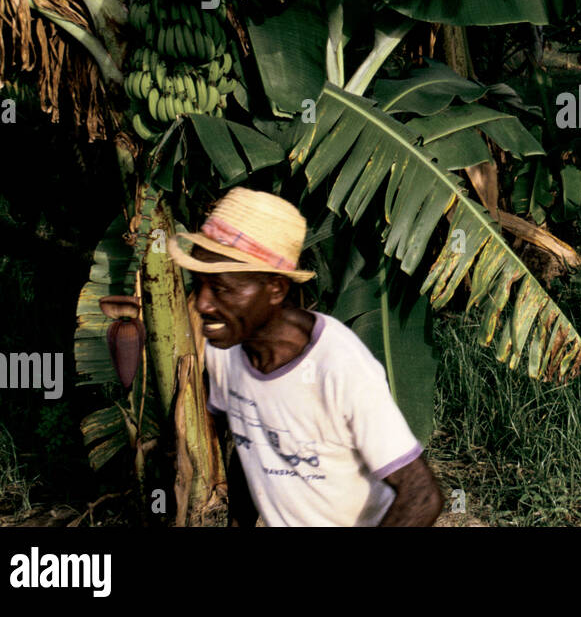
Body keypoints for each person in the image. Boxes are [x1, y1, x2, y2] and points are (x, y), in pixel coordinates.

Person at [170, 186, 443, 527]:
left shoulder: (338, 366)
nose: (202, 304)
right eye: (199, 284)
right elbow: (248, 445)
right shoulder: (225, 350)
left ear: (276, 289)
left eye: (222, 288)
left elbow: (422, 496)